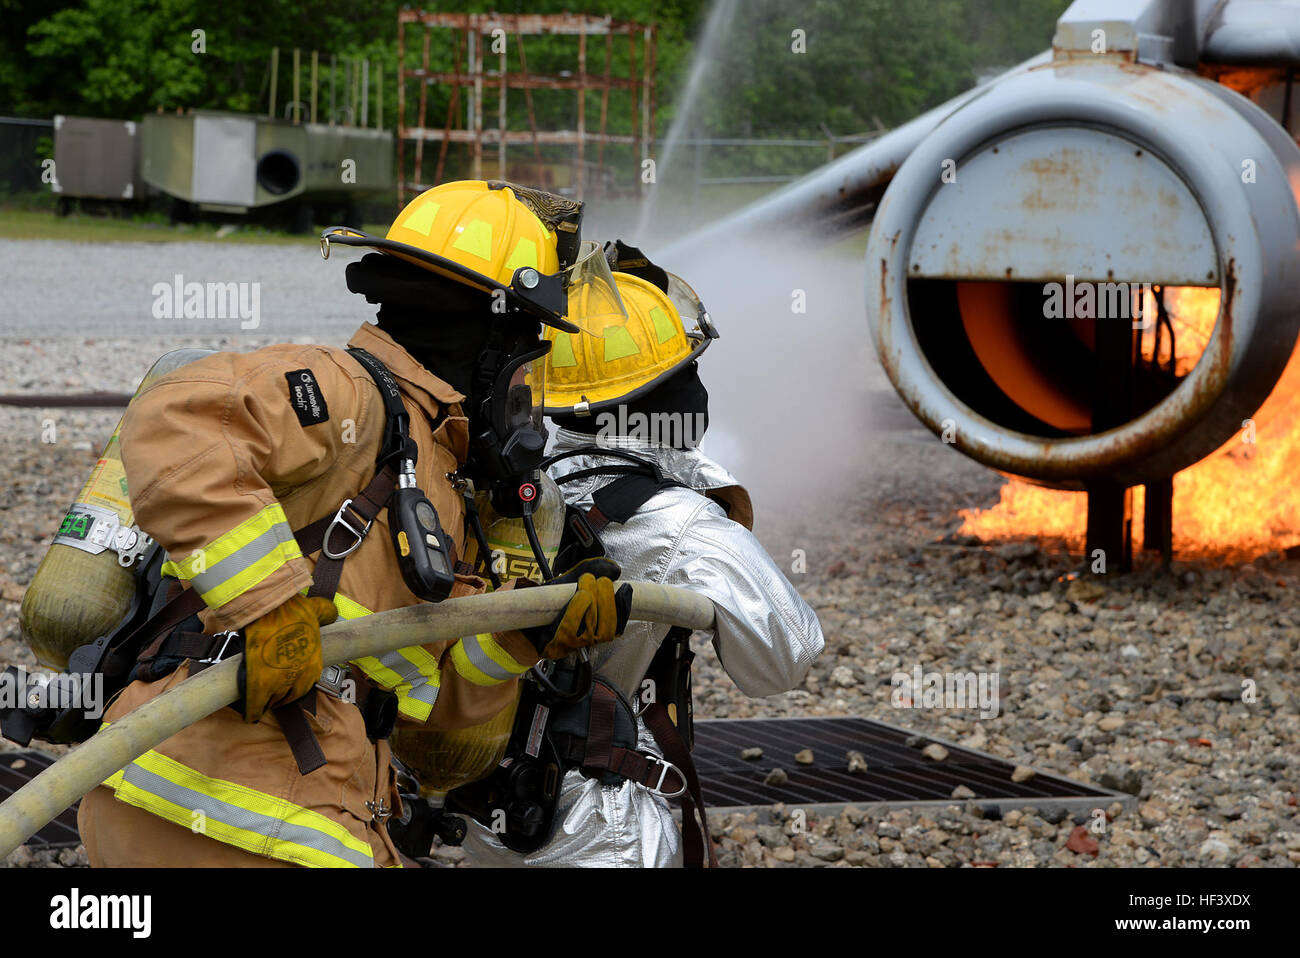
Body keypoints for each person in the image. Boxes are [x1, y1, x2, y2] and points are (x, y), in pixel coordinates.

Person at [77, 180, 628, 868]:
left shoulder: (434, 468)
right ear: (491, 341)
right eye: (524, 360)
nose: (523, 395)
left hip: (299, 808)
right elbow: (177, 419)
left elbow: (427, 691)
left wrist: (527, 636)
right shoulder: (348, 393)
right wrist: (269, 605)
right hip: (230, 811)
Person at [458, 242, 825, 867]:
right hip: (597, 825)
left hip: (484, 806)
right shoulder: (678, 523)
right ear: (672, 392)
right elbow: (782, 662)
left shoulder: (506, 486)